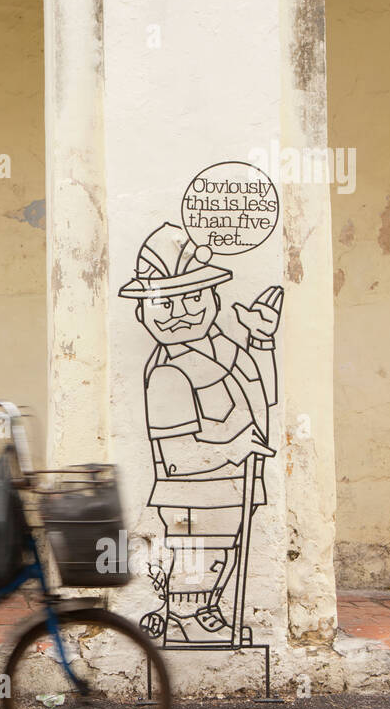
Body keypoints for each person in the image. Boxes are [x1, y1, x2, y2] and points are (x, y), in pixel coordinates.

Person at [117, 223, 282, 643]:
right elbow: (178, 457)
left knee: (222, 553)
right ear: (143, 312)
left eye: (193, 298)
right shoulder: (168, 374)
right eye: (165, 303)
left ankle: (202, 611)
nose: (182, 312)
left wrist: (261, 341)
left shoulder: (225, 347)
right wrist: (233, 448)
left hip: (235, 485)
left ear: (213, 299)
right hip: (192, 491)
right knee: (195, 554)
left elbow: (266, 397)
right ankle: (182, 617)